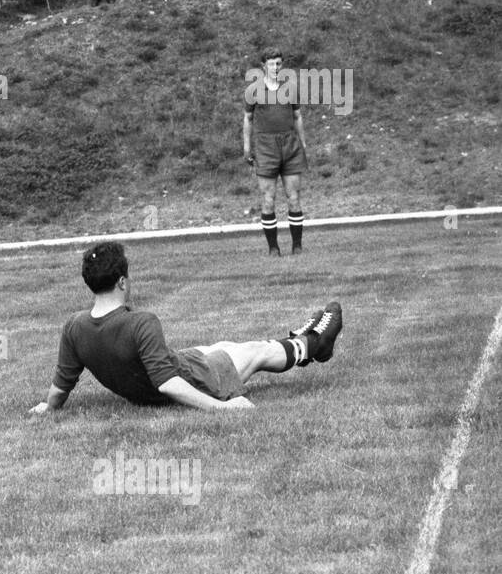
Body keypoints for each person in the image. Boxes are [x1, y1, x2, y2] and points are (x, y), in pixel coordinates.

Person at [30, 242, 342, 415]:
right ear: (123, 281)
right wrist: (222, 409)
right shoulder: (141, 322)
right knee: (255, 351)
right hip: (198, 377)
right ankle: (314, 343)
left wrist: (48, 406)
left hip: (175, 367)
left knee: (222, 345)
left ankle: (302, 340)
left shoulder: (75, 326)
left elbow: (61, 384)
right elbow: (169, 385)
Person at [244, 50, 307, 255]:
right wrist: (247, 147)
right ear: (264, 66)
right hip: (265, 147)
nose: (275, 68)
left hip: (290, 145)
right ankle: (273, 248)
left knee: (294, 196)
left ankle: (297, 246)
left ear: (282, 65)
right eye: (271, 64)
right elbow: (248, 119)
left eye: (278, 63)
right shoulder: (254, 90)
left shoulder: (290, 89)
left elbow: (297, 116)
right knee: (268, 198)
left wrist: (303, 143)